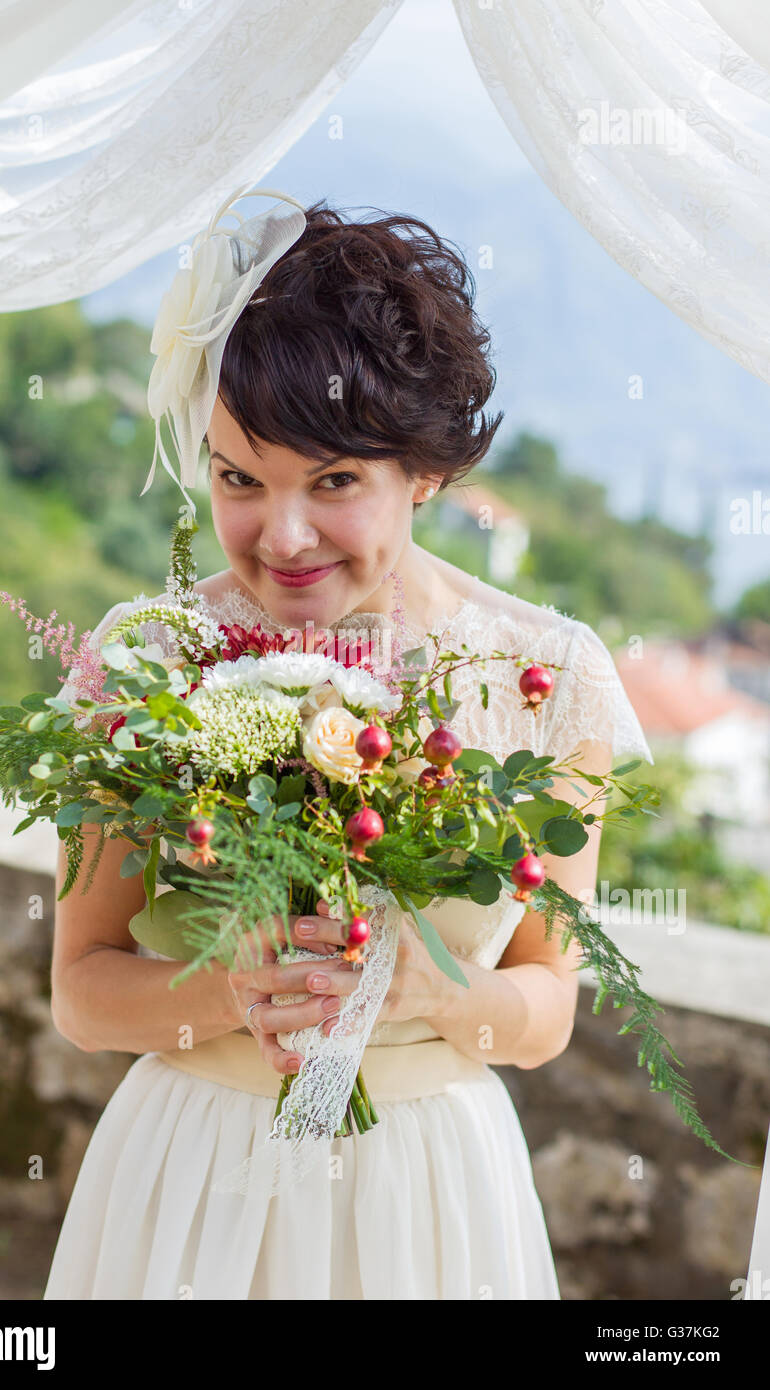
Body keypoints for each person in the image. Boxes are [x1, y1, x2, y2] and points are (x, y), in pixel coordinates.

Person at [42, 191, 653, 1300]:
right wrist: (235, 988)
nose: (281, 536)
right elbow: (82, 993)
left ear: (423, 473)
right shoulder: (148, 656)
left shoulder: (548, 676)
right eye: (238, 478)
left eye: (331, 482)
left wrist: (439, 994)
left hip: (426, 1196)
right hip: (189, 1171)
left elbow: (546, 1007)